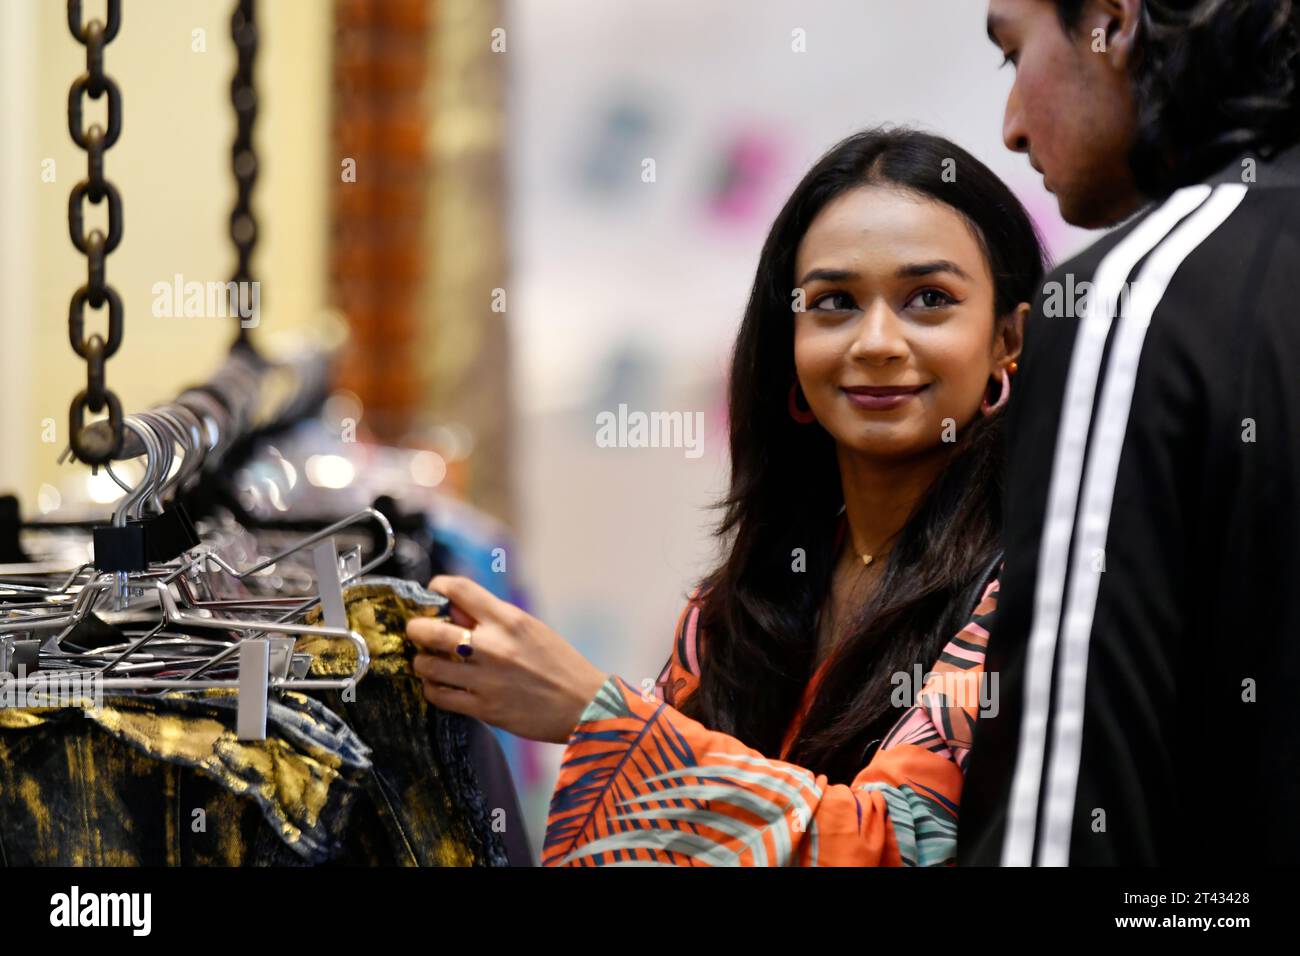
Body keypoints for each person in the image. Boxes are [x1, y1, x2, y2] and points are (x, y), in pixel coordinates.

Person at [407, 127, 1045, 865]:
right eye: (834, 302)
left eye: (928, 299)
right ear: (788, 344)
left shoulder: (1030, 591)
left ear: (1009, 339)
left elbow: (902, 843)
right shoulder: (737, 604)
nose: (875, 341)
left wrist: (596, 715)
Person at [963, 0, 1300, 865]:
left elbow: (1065, 821)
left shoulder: (1137, 301)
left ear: (1111, 24)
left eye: (1012, 53)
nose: (1009, 127)